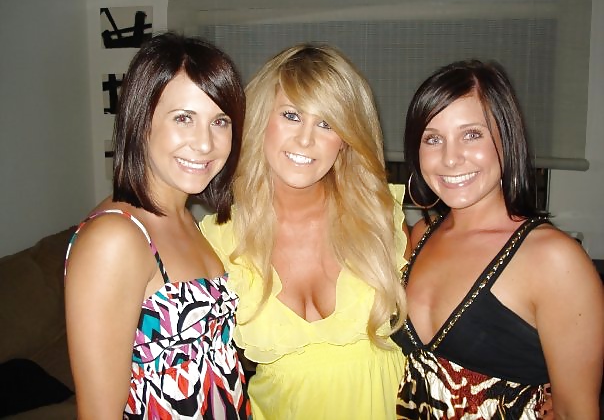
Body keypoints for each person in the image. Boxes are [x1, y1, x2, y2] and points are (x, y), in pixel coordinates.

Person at [200, 43, 409, 419]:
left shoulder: (381, 217)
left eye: (326, 123)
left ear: (345, 139)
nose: (306, 139)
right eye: (291, 115)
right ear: (262, 119)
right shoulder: (217, 239)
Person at [393, 59, 604, 419]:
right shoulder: (420, 235)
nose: (450, 158)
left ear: (506, 139)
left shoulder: (554, 260)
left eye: (472, 134)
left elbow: (575, 411)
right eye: (433, 139)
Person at [64, 32, 251, 419]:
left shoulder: (186, 218)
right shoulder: (114, 239)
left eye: (220, 121)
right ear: (141, 120)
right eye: (184, 118)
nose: (205, 144)